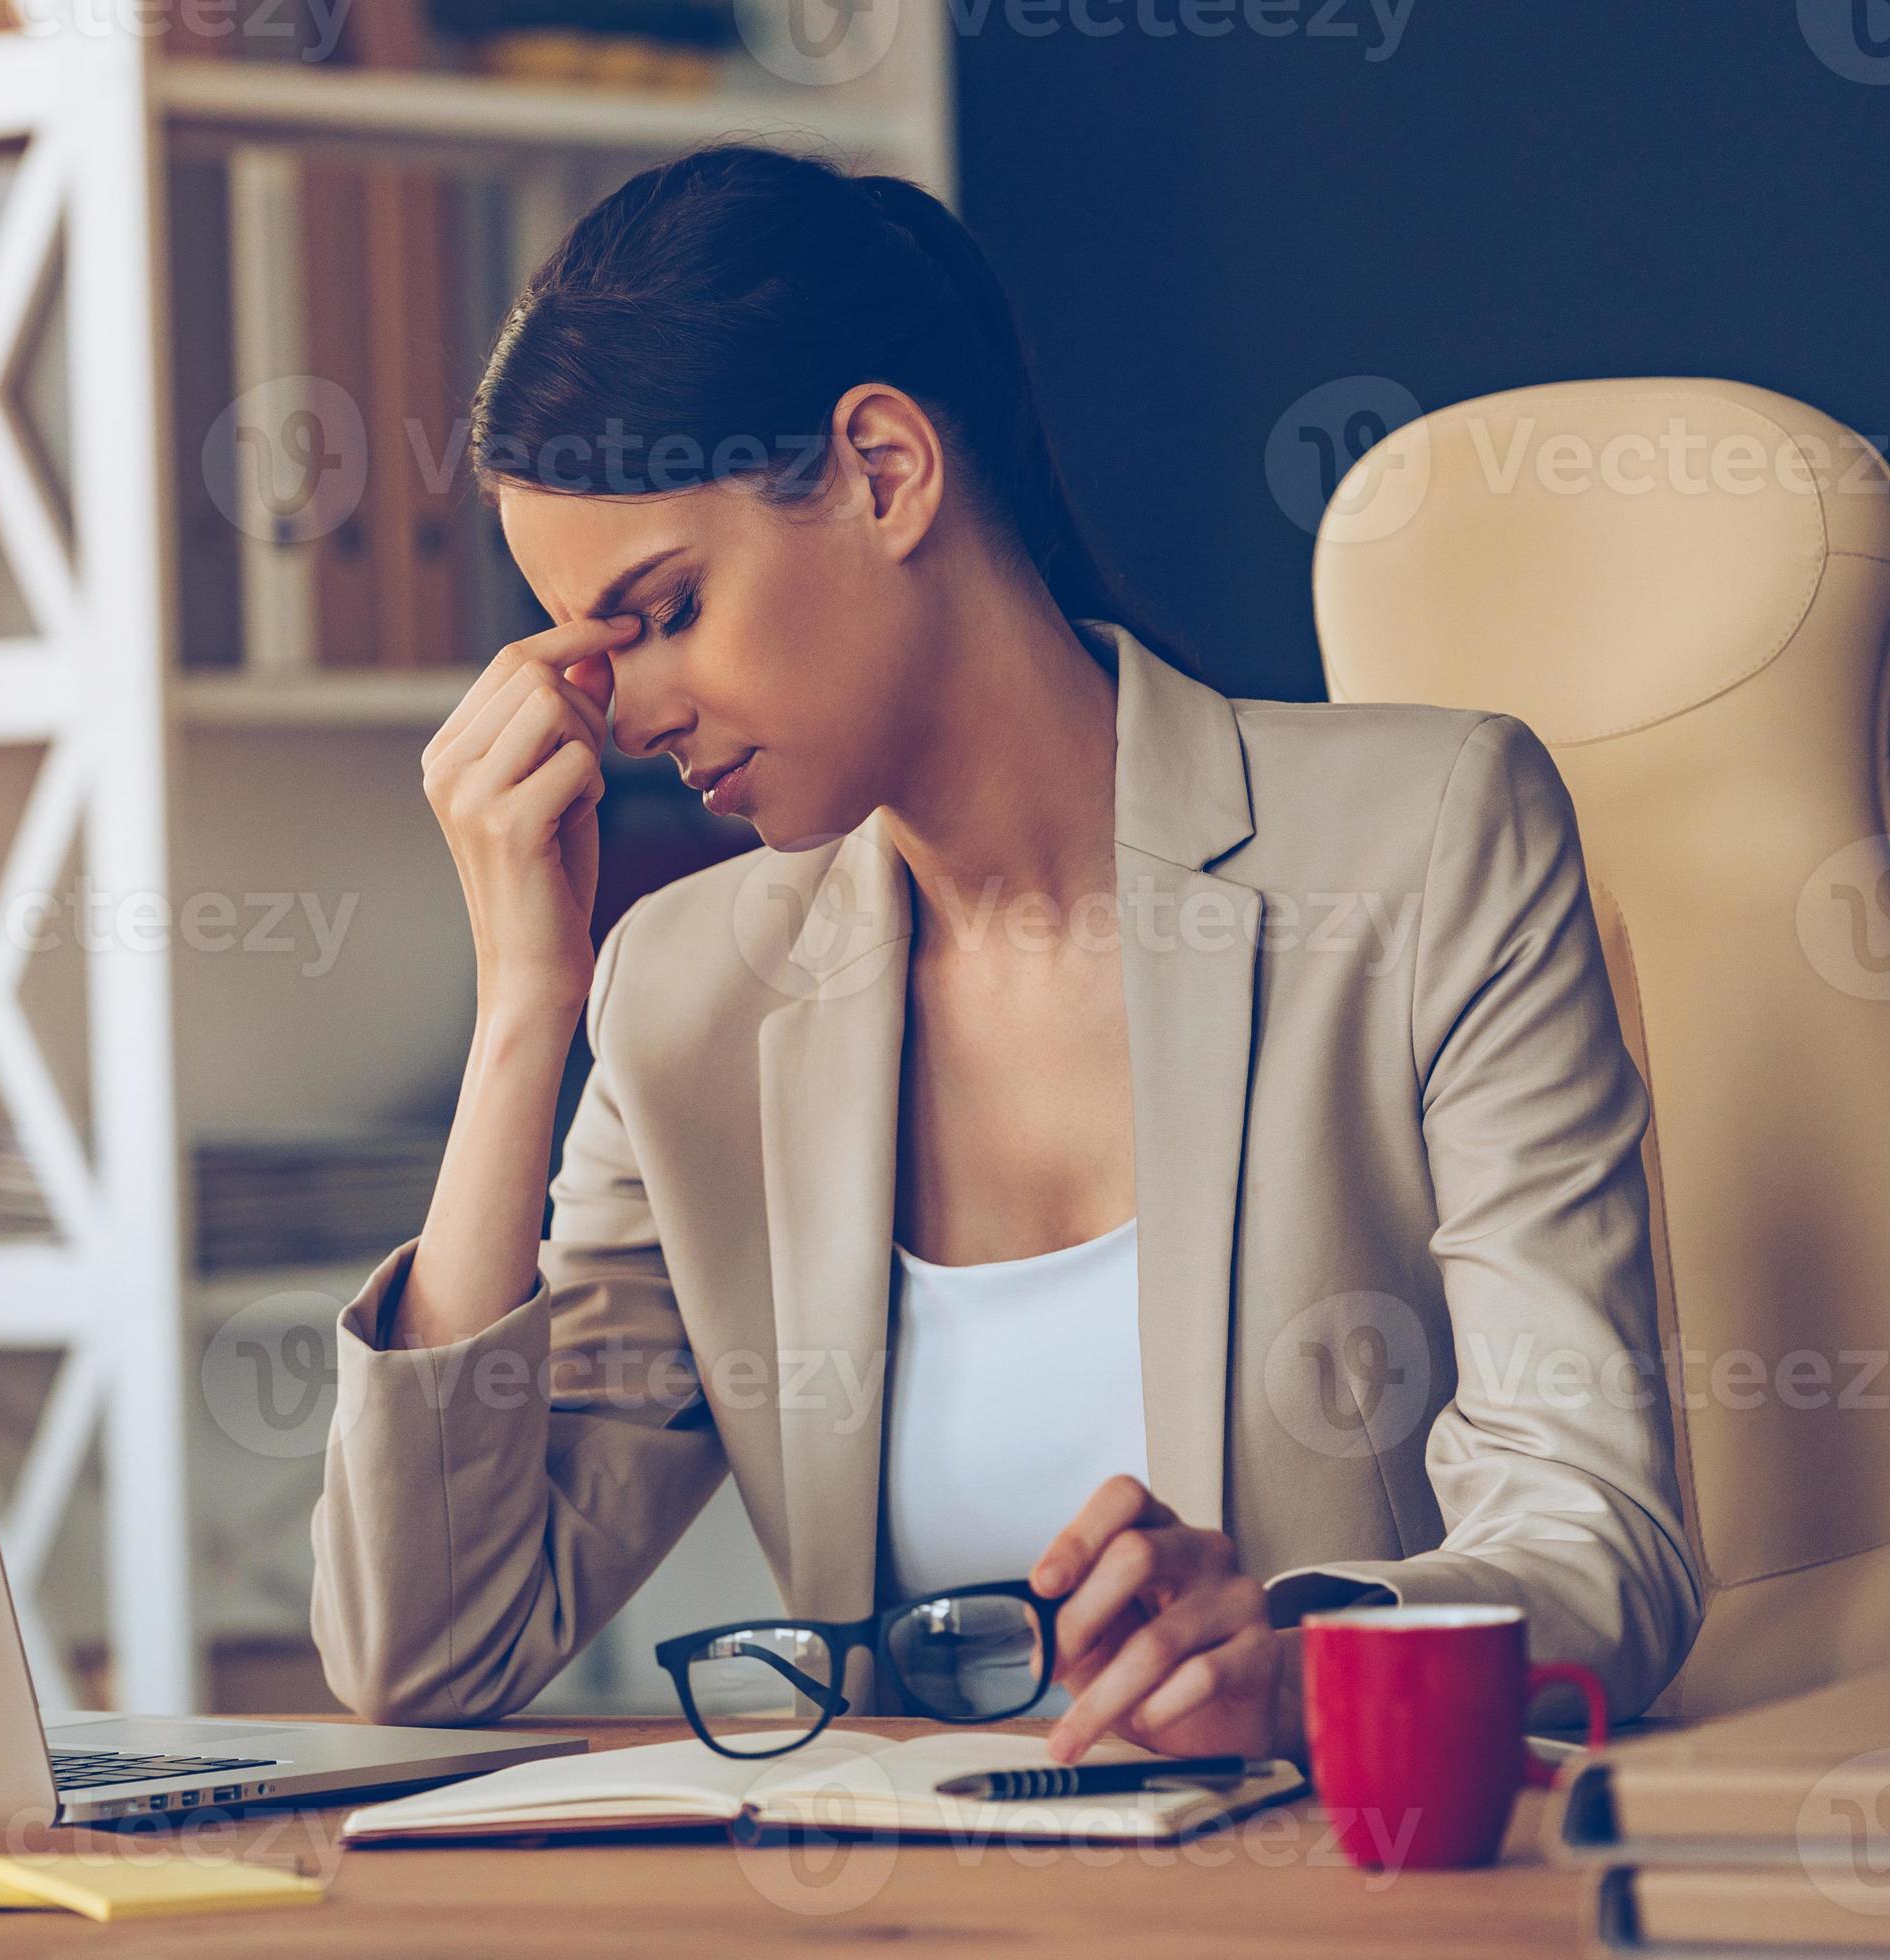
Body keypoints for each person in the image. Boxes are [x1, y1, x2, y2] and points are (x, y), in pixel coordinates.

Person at [307, 144, 1699, 1762]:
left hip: (1334, 1895)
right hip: (925, 1908)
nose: (619, 714)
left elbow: (1600, 1535)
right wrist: (520, 1013)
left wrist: (1298, 1658)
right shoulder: (681, 992)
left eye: (664, 611)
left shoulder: (1430, 841)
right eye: (584, 652)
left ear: (884, 471)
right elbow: (427, 1646)